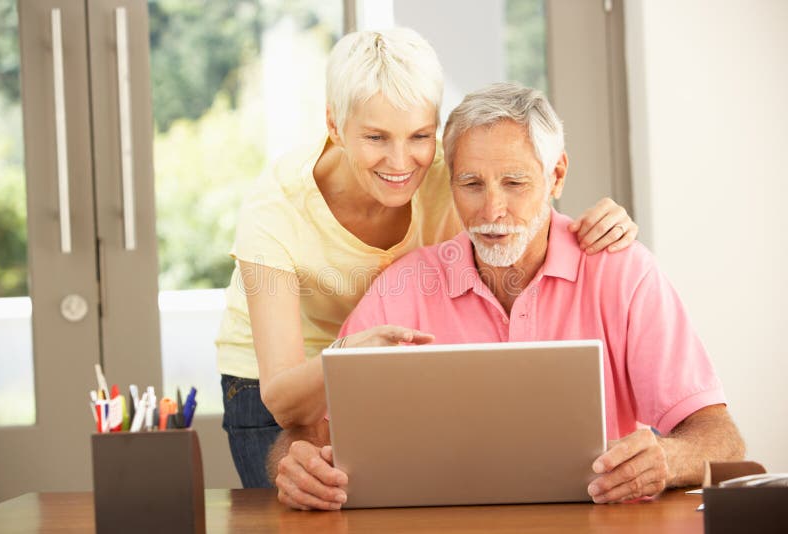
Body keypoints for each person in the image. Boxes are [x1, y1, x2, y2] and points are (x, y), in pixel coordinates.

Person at [268, 82, 746, 510]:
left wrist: (669, 457)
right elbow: (310, 430)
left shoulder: (623, 272)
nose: (492, 209)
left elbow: (720, 435)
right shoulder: (403, 286)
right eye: (471, 184)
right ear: (450, 182)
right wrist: (293, 463)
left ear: (556, 176)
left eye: (515, 183)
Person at [216, 28, 639, 489]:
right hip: (280, 382)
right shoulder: (275, 211)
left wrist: (598, 222)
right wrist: (345, 354)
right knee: (304, 506)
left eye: (419, 135)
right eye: (376, 137)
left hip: (383, 364)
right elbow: (281, 400)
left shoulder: (449, 174)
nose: (401, 162)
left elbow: (520, 213)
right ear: (335, 125)